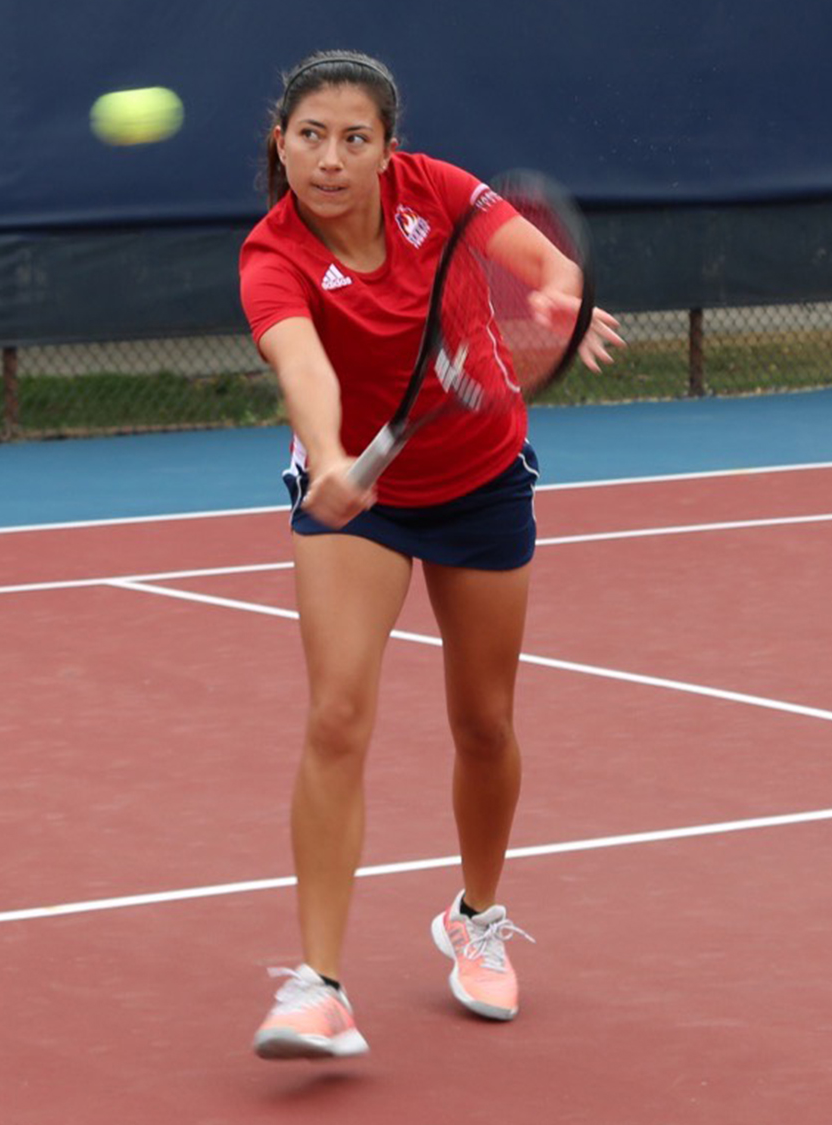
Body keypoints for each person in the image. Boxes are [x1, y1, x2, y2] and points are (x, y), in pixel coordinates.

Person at [238, 50, 622, 1061]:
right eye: (310, 136)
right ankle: (317, 985)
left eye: (352, 138)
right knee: (335, 715)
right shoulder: (269, 255)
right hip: (356, 499)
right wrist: (327, 460)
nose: (329, 159)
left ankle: (474, 917)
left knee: (483, 723)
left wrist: (552, 296)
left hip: (483, 474)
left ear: (384, 151)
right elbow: (300, 362)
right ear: (281, 145)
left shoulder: (438, 194)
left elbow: (541, 260)